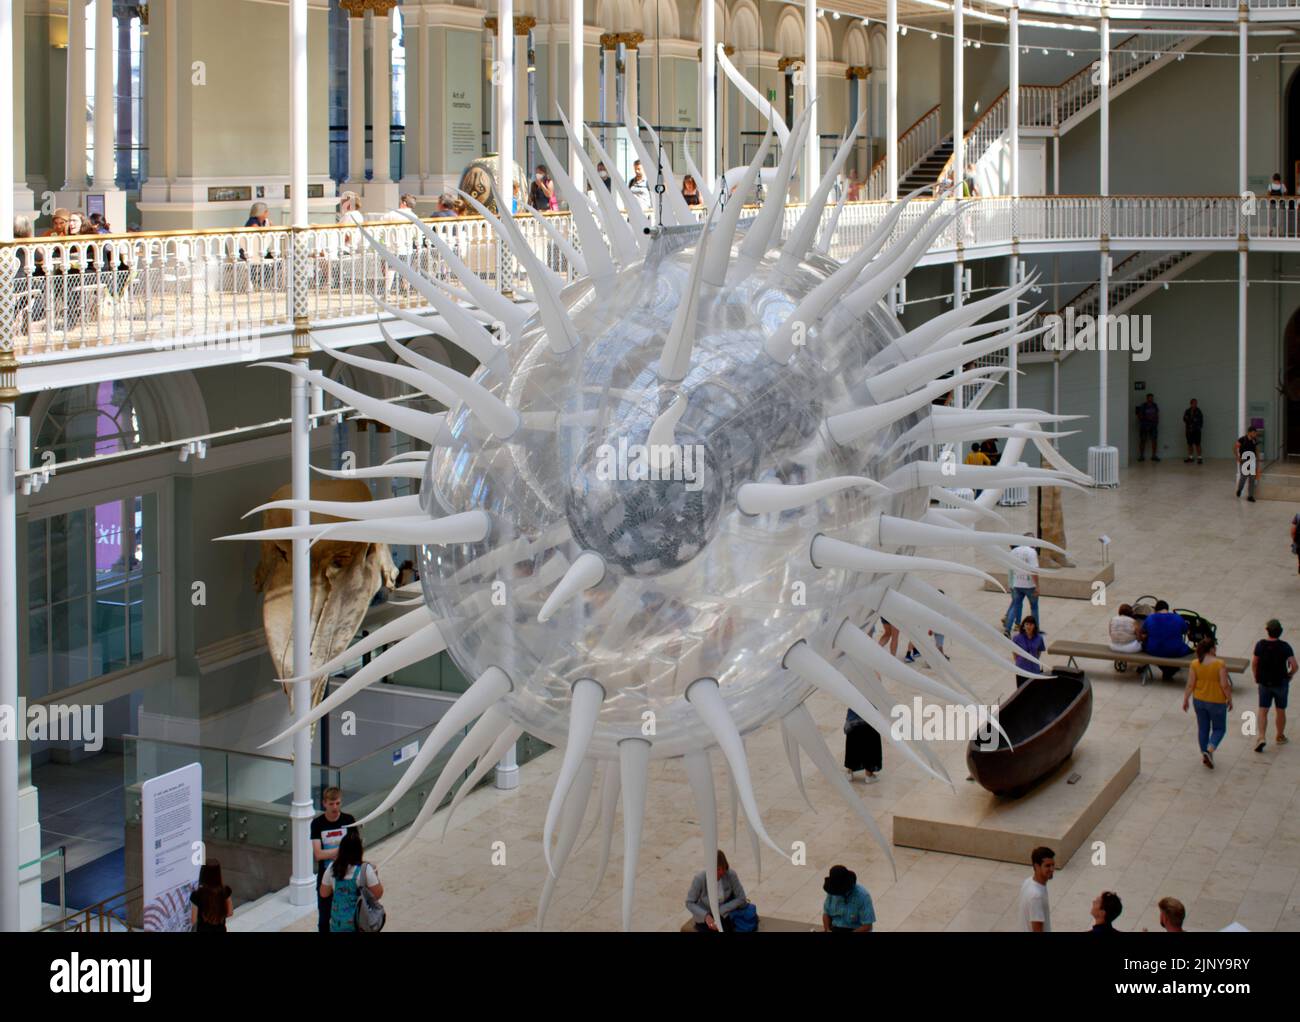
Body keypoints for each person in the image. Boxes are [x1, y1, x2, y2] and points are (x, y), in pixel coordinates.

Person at [319, 828, 383, 932]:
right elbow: (378, 894)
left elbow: (323, 893)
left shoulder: (332, 868)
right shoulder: (365, 869)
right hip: (359, 924)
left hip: (337, 925)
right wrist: (376, 876)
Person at [311, 786, 356, 932]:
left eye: (337, 803)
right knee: (324, 918)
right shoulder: (317, 824)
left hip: (348, 875)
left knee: (350, 916)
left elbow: (355, 851)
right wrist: (342, 849)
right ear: (324, 803)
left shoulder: (349, 820)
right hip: (327, 876)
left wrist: (331, 852)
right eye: (331, 804)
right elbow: (318, 854)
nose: (335, 807)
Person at [1183, 636, 1232, 769]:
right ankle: (1209, 750)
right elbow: (1224, 685)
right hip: (1216, 701)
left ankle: (1204, 753)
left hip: (1199, 700)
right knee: (1219, 728)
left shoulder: (1194, 663)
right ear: (1211, 649)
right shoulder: (1219, 664)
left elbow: (1190, 684)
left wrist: (1186, 698)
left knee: (1203, 728)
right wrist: (1230, 699)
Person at [1252, 618, 1294, 753]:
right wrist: (1290, 675)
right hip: (1281, 682)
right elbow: (1295, 665)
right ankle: (1280, 736)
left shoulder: (1260, 645)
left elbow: (1255, 663)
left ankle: (1262, 737)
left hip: (1264, 682)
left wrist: (1256, 677)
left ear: (1267, 631)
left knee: (1263, 710)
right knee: (1280, 710)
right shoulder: (1285, 646)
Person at [684, 850, 748, 931]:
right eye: (718, 869)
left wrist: (722, 910)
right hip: (706, 915)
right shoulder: (700, 879)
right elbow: (689, 902)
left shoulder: (730, 874)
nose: (721, 872)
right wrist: (706, 916)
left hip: (725, 912)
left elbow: (741, 898)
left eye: (723, 868)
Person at [1141, 600, 1190, 680]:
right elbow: (1185, 631)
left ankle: (1167, 669)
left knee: (1156, 647)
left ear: (1155, 610)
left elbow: (1143, 632)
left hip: (1153, 650)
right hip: (1175, 651)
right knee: (1185, 649)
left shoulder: (1150, 618)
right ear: (1167, 609)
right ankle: (1170, 669)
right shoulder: (1177, 617)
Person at [1003, 537, 1040, 636]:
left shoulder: (1014, 551)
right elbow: (1033, 570)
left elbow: (1011, 568)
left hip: (1017, 584)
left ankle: (1007, 629)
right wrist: (1037, 586)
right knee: (1034, 608)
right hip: (1029, 585)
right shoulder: (1031, 552)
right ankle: (1035, 630)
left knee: (1015, 607)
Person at [821, 865, 875, 932]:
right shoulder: (832, 892)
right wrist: (827, 929)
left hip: (856, 929)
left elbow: (867, 926)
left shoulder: (863, 896)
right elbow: (826, 913)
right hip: (835, 927)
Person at [189, 860, 234, 932]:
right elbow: (230, 913)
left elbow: (193, 920)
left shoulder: (196, 895)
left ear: (203, 874)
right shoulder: (225, 891)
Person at [1019, 846, 1055, 932]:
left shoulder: (1028, 881)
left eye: (1053, 865)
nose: (1052, 869)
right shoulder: (1036, 896)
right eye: (1047, 866)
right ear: (1036, 866)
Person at [844, 706, 881, 782]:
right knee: (870, 745)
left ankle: (849, 772)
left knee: (853, 744)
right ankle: (869, 775)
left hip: (853, 719)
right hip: (869, 719)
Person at [1013, 616, 1046, 688]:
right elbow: (1014, 652)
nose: (1028, 626)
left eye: (1031, 624)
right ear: (1023, 626)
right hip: (1021, 669)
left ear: (1034, 626)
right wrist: (1018, 661)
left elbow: (1039, 651)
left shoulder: (1039, 638)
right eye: (1027, 624)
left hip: (1034, 669)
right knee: (1021, 690)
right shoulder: (1017, 638)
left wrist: (1035, 659)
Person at [1235, 425, 1260, 501]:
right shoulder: (1242, 439)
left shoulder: (1254, 440)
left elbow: (1256, 449)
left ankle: (1250, 496)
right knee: (1244, 477)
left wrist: (1258, 459)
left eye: (1255, 433)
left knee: (1252, 479)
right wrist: (1238, 457)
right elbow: (1234, 448)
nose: (1255, 434)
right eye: (1253, 433)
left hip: (1252, 460)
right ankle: (1239, 489)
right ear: (1249, 433)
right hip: (1244, 461)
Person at [1135, 394, 1160, 462]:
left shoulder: (1155, 405)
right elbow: (1139, 415)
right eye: (1149, 398)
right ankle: (1141, 456)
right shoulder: (1143, 405)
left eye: (1152, 398)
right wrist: (1144, 420)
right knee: (1143, 440)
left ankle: (1154, 456)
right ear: (1147, 398)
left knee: (1154, 440)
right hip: (1144, 425)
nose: (1151, 399)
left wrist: (1156, 422)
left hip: (1153, 426)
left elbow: (1157, 414)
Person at [1182, 398, 1204, 464]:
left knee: (1198, 444)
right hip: (1189, 431)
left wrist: (1197, 426)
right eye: (1194, 403)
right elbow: (1184, 419)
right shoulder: (1187, 411)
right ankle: (1190, 457)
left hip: (1196, 430)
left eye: (1196, 403)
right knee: (1190, 444)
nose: (1195, 404)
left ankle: (1199, 458)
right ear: (1191, 404)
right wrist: (1191, 420)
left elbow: (1200, 420)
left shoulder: (1198, 411)